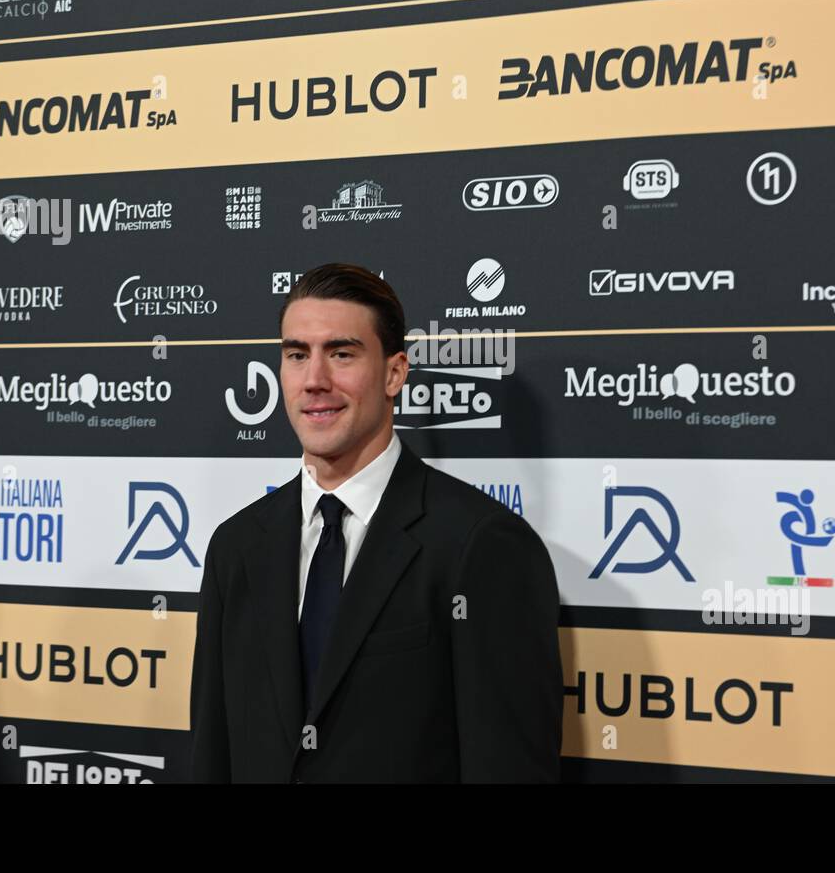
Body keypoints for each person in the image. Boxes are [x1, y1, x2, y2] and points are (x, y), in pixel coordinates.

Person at [189, 262, 563, 782]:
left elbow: (507, 767)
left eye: (341, 354)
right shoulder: (236, 547)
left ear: (394, 373)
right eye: (297, 355)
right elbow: (213, 753)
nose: (315, 380)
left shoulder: (480, 545)